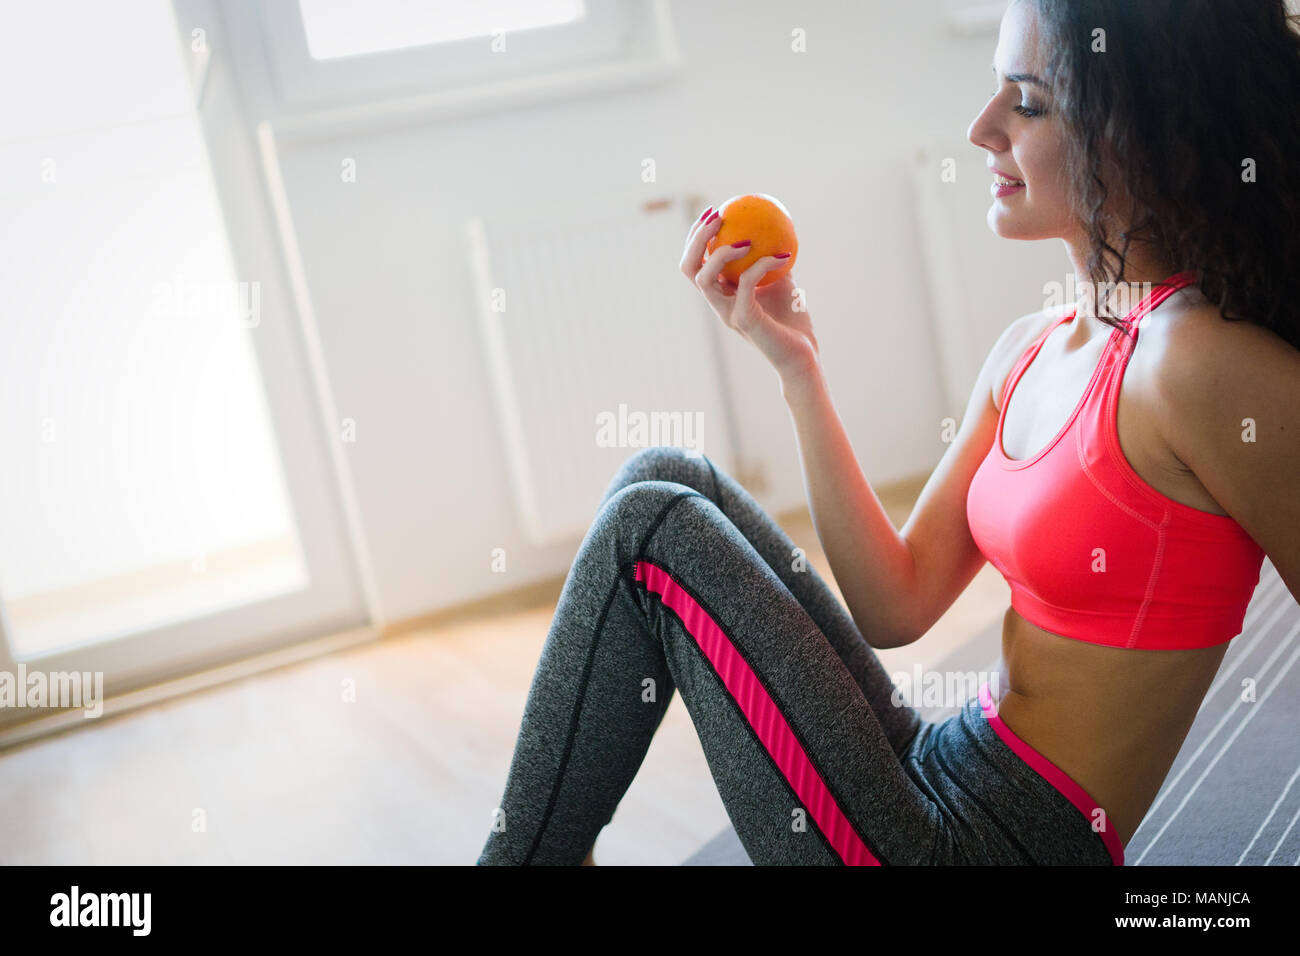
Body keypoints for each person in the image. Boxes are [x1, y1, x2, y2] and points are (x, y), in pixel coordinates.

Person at [476, 0, 1300, 865]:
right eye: (994, 91)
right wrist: (799, 368)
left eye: (1029, 102)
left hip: (983, 848)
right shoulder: (1032, 350)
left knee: (650, 528)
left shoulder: (1199, 365)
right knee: (669, 473)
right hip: (935, 770)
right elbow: (894, 603)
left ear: (1147, 131)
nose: (982, 129)